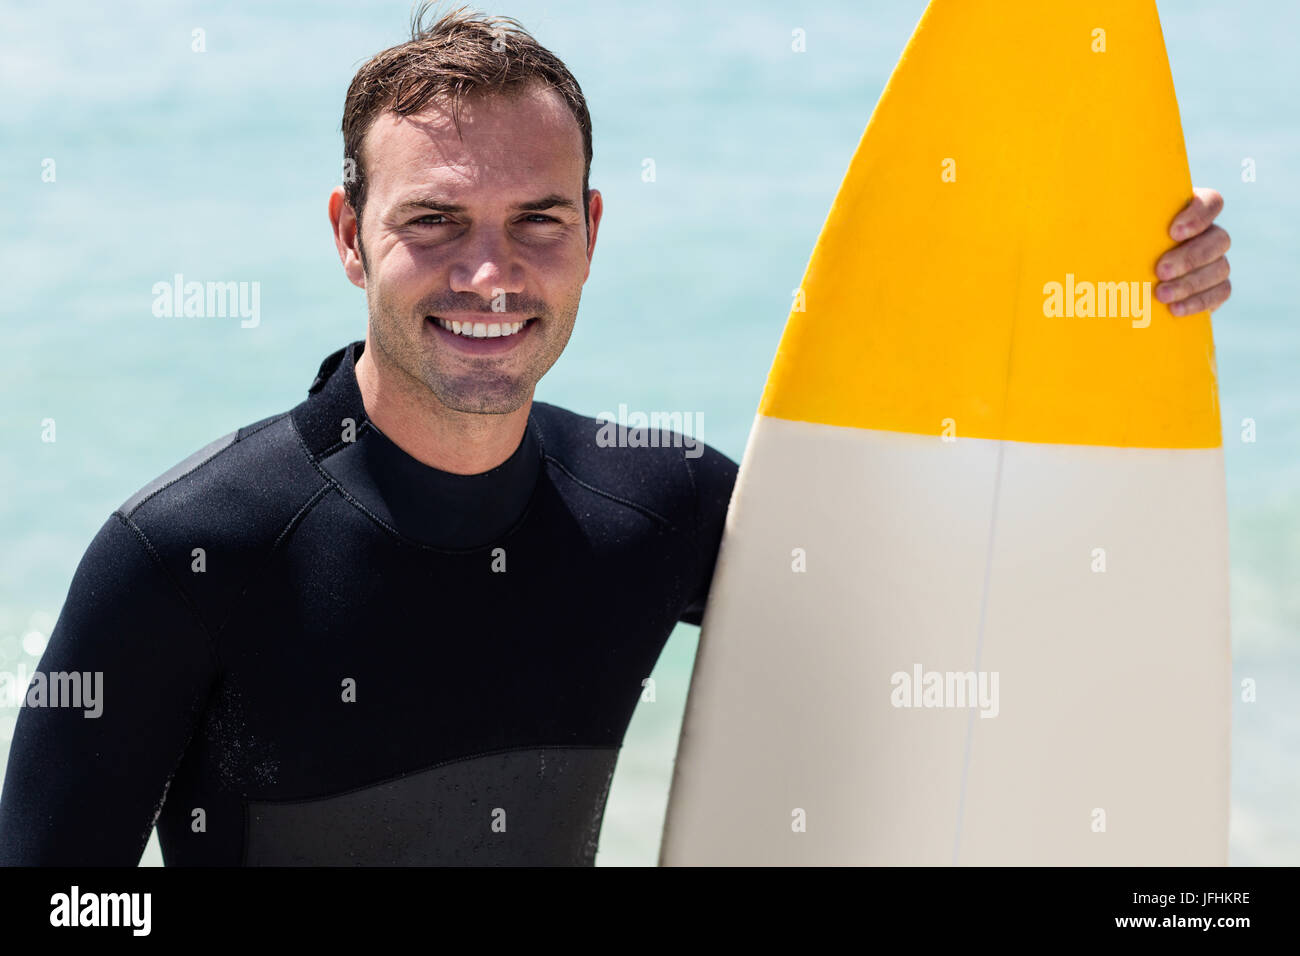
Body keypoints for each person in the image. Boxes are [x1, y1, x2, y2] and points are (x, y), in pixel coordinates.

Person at [0, 4, 1233, 866]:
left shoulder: (658, 505)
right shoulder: (187, 554)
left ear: (592, 228)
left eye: (537, 219)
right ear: (346, 232)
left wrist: (1116, 286)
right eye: (434, 220)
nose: (491, 271)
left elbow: (939, 574)